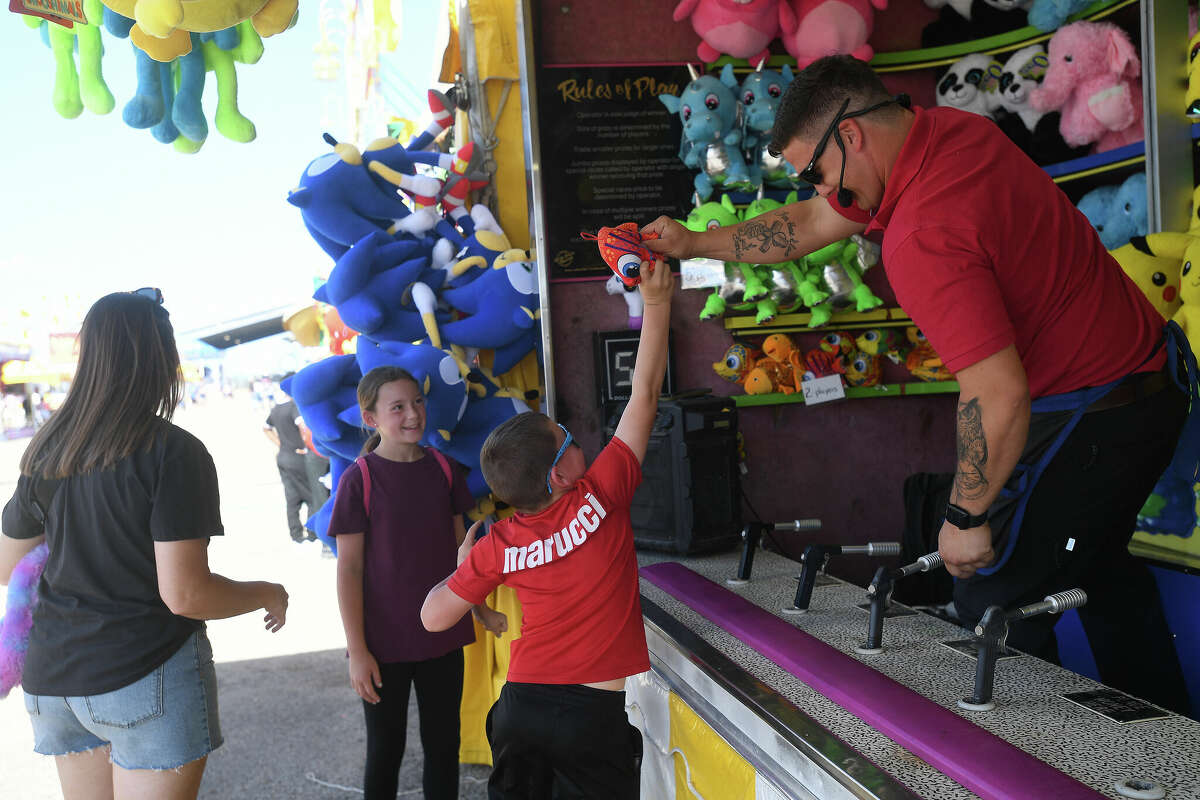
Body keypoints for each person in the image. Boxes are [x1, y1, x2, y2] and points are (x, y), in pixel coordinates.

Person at [640, 54, 1191, 714]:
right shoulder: (948, 133)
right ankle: (1169, 745)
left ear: (849, 136)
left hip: (1097, 405)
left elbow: (996, 392)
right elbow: (808, 227)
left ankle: (1033, 768)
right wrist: (693, 244)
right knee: (1094, 569)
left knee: (993, 597)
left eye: (815, 175)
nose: (823, 195)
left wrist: (964, 517)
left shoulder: (923, 232)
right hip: (1148, 379)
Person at [0, 289, 289, 800]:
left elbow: (8, 566)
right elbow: (186, 595)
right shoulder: (173, 453)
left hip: (55, 683)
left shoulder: (46, 451)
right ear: (162, 359)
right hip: (142, 672)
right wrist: (266, 591)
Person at [421, 255, 675, 798]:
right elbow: (645, 394)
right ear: (559, 474)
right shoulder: (602, 494)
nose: (578, 438)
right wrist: (655, 303)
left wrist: (467, 569)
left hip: (520, 709)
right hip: (590, 718)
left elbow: (434, 618)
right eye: (568, 437)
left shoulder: (498, 543)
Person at [329, 365, 509, 800]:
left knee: (443, 747)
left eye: (418, 402)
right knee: (386, 750)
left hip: (442, 637)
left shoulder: (444, 470)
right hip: (383, 643)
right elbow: (348, 570)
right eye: (398, 407)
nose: (412, 414)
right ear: (371, 418)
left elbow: (459, 556)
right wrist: (358, 651)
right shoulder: (361, 479)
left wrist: (480, 609)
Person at [263, 383, 318, 543]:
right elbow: (303, 427)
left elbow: (265, 428)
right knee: (311, 495)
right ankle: (312, 532)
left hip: (283, 457)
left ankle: (296, 534)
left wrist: (281, 443)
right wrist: (306, 444)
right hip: (298, 456)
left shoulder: (276, 409)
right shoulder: (294, 407)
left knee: (291, 496)